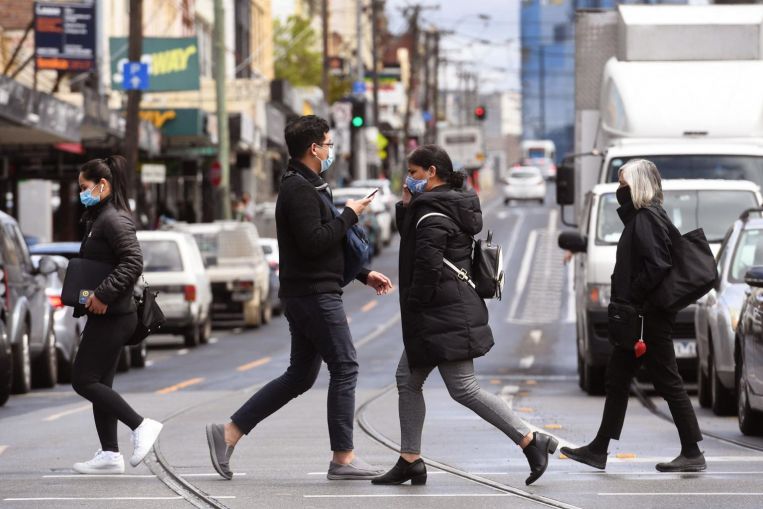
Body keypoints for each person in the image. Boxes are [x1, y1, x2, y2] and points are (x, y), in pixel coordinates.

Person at [206, 115, 394, 481]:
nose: (330, 151)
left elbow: (321, 244)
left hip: (309, 291)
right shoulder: (299, 190)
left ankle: (228, 433)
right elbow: (314, 242)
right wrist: (350, 215)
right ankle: (343, 457)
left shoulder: (308, 185)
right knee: (345, 365)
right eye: (328, 144)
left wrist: (362, 273)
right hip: (314, 294)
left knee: (299, 377)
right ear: (314, 148)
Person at [373, 145, 558, 487]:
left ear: (431, 172)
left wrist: (413, 306)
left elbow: (426, 269)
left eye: (413, 173)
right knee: (408, 380)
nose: (408, 179)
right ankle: (410, 459)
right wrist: (405, 203)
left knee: (464, 388)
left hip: (442, 314)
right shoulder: (444, 205)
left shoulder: (433, 215)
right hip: (446, 309)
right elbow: (412, 237)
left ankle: (531, 440)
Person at [561, 159, 705, 472]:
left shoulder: (647, 218)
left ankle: (692, 451)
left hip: (646, 317)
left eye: (623, 184)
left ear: (638, 186)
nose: (619, 190)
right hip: (640, 315)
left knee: (667, 380)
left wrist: (635, 297)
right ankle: (599, 449)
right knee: (617, 379)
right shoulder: (643, 217)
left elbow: (657, 266)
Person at [71, 156, 163, 474]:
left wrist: (102, 294)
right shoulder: (99, 218)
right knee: (101, 384)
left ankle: (141, 426)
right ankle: (110, 454)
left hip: (116, 314)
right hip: (107, 314)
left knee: (83, 380)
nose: (80, 192)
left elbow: (132, 262)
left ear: (103, 185)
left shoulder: (113, 220)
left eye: (84, 187)